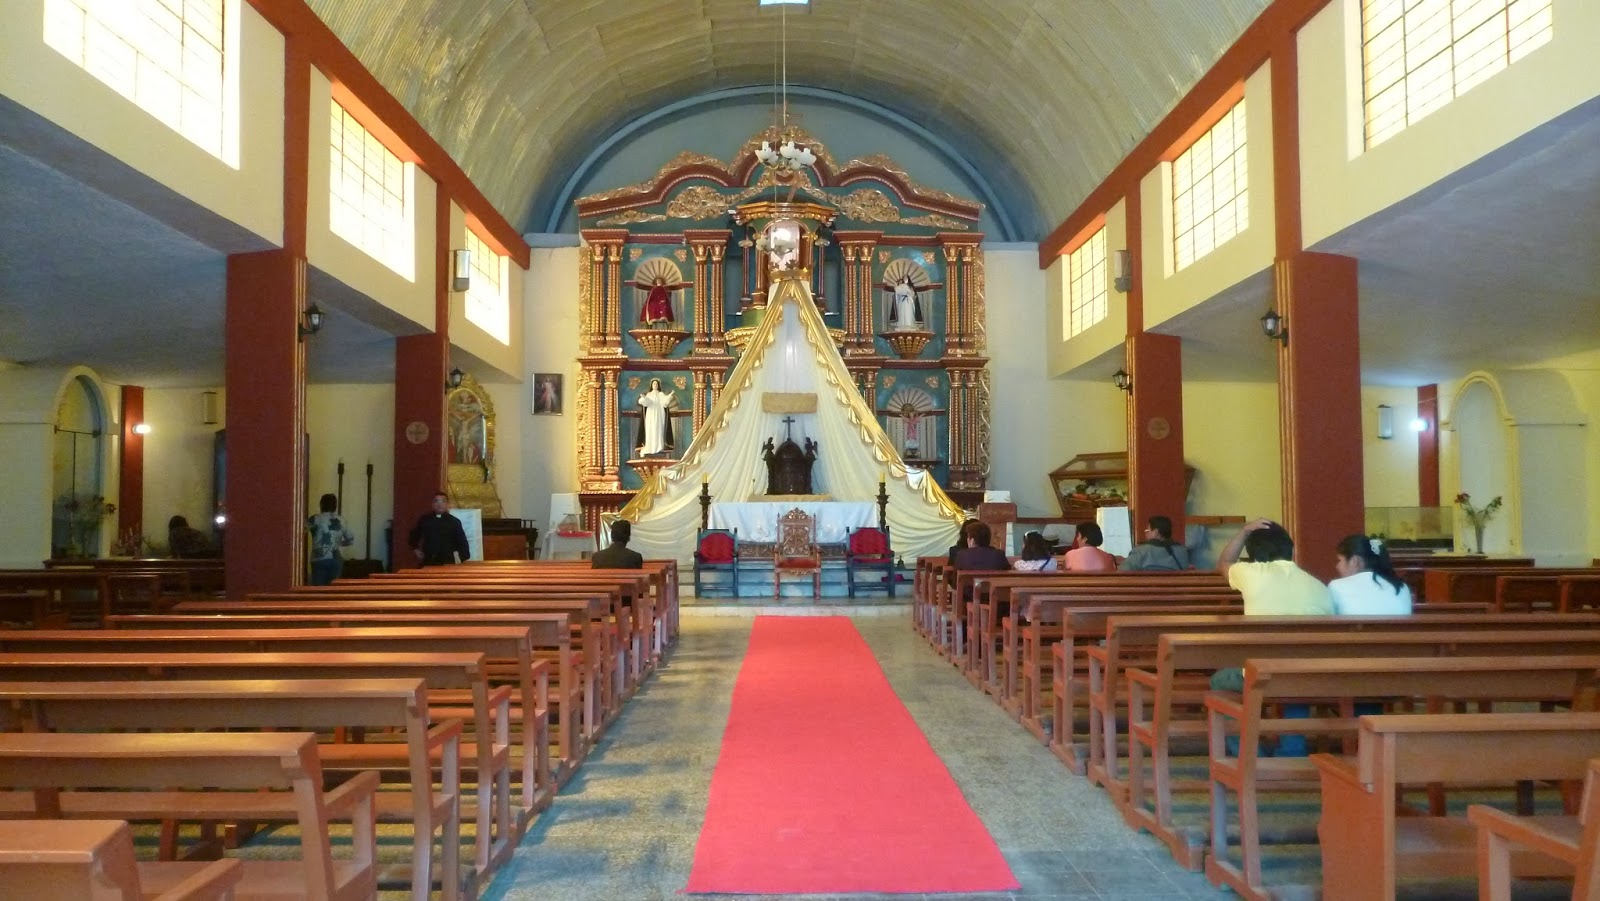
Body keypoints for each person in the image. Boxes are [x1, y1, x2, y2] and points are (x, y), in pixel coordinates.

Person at [1213, 518, 1333, 757]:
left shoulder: (1251, 573)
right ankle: (1292, 749)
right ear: (1293, 551)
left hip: (1263, 674)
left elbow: (1225, 562)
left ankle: (1248, 754)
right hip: (1311, 674)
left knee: (1219, 681)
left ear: (1253, 554)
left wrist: (1245, 530)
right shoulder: (1319, 586)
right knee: (1295, 677)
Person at [1329, 533, 1412, 615]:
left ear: (1355, 561)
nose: (1337, 566)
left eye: (1340, 560)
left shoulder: (1336, 586)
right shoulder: (1402, 587)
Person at [408, 492, 470, 566]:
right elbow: (414, 536)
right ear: (432, 504)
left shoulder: (454, 522)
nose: (439, 504)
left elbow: (463, 544)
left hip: (448, 562)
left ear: (447, 504)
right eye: (436, 501)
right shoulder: (424, 520)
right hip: (429, 561)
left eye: (443, 501)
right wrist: (416, 549)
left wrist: (458, 559)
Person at [306, 493, 354, 585]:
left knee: (318, 591)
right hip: (335, 558)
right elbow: (350, 539)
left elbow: (297, 531)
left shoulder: (314, 519)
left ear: (321, 504)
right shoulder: (341, 520)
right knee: (333, 590)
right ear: (335, 506)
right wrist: (339, 543)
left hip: (318, 558)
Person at [1119, 515, 1191, 571]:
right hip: (1176, 589)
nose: (1146, 534)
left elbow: (1123, 571)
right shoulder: (1182, 551)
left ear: (1156, 532)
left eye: (1148, 530)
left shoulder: (1141, 551)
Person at [635, 379, 678, 456]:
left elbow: (665, 403)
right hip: (650, 415)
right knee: (650, 430)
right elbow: (645, 403)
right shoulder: (649, 394)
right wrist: (644, 398)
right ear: (651, 385)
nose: (655, 385)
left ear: (658, 386)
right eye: (653, 384)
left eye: (656, 384)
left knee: (658, 429)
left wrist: (669, 396)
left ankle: (659, 447)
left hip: (659, 415)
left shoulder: (661, 394)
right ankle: (649, 447)